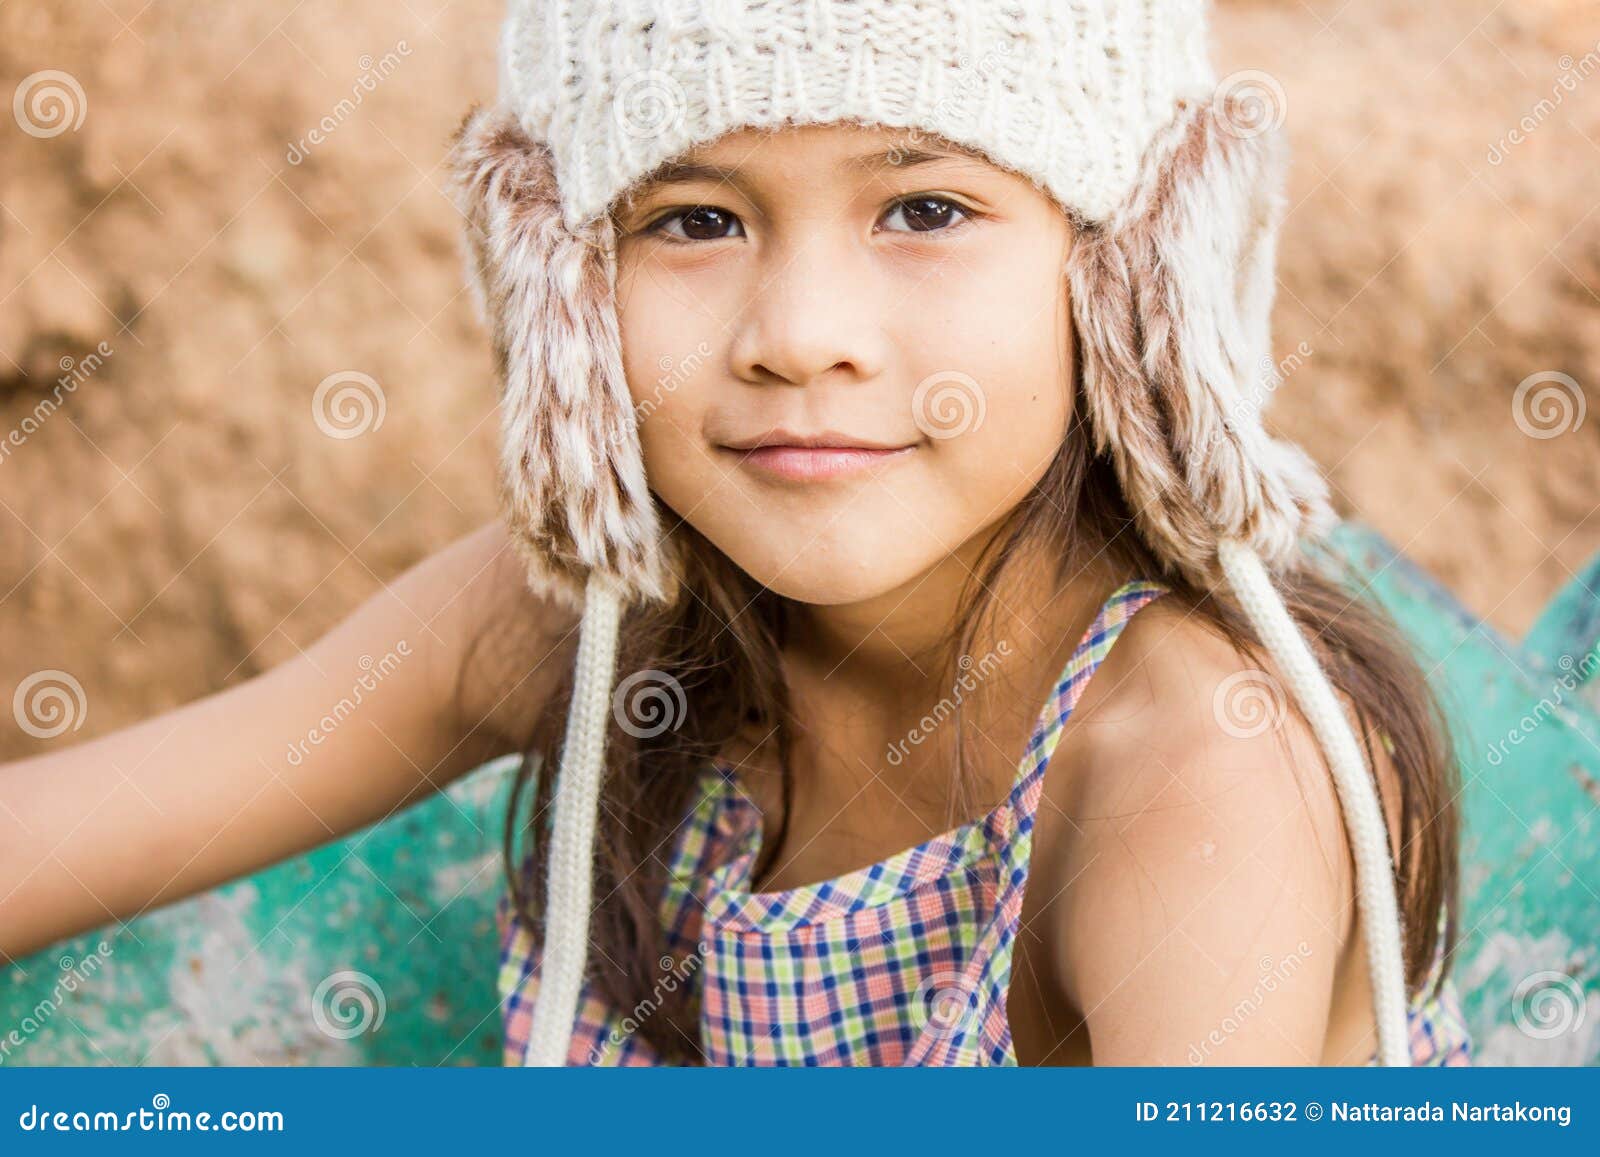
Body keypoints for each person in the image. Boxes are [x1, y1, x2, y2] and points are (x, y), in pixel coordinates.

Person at [1, 0, 1471, 1067]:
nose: (799, 337)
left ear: (1128, 269)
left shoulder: (1200, 772)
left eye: (926, 206)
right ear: (564, 288)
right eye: (695, 221)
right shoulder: (589, 632)